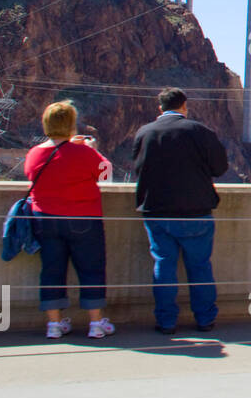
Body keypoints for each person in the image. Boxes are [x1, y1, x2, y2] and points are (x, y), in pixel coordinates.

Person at [132, 88, 229, 334]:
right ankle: (205, 319)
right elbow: (219, 167)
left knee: (163, 266)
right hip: (196, 213)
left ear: (160, 108)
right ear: (184, 106)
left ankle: (166, 322)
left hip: (157, 213)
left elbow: (138, 169)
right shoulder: (200, 132)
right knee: (200, 267)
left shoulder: (145, 133)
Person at [24, 101, 114, 340]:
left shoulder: (34, 154)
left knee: (51, 269)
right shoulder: (85, 153)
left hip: (45, 219)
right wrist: (95, 149)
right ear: (71, 125)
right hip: (84, 218)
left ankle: (54, 324)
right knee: (91, 268)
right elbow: (105, 176)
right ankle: (96, 323)